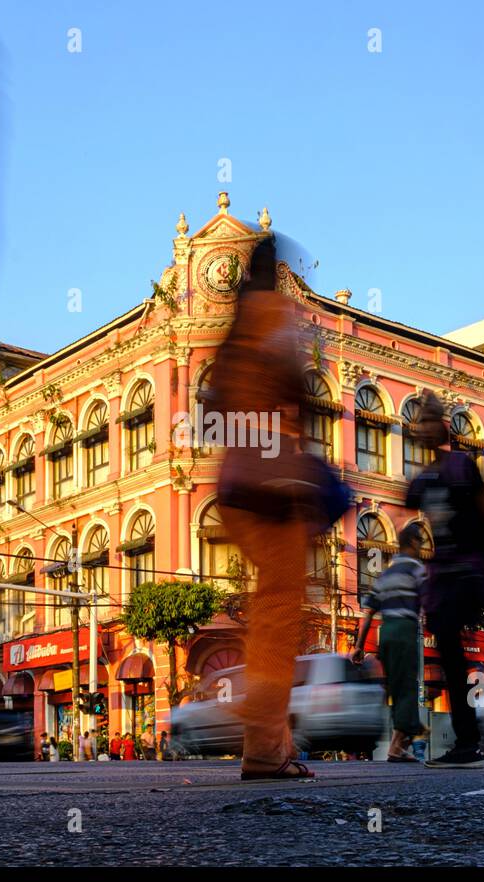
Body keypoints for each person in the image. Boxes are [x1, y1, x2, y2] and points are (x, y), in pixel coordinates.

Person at [210, 235, 352, 781]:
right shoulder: (274, 316)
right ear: (281, 274)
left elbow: (217, 404)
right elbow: (295, 379)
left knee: (269, 612)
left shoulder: (233, 334)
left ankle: (272, 743)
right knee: (277, 617)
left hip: (236, 486)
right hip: (275, 488)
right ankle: (265, 744)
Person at [404, 390, 484, 768]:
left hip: (470, 572)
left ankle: (469, 738)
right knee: (450, 654)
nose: (420, 428)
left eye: (428, 420)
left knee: (453, 649)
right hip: (444, 578)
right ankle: (468, 739)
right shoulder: (425, 478)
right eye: (418, 421)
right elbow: (411, 503)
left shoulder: (461, 467)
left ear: (441, 426)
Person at [352, 524, 429, 762]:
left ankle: (400, 745)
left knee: (395, 687)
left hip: (385, 632)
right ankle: (404, 739)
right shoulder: (417, 570)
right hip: (405, 629)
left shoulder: (385, 574)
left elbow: (368, 613)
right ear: (414, 543)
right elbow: (429, 601)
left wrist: (359, 645)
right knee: (406, 686)